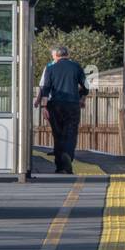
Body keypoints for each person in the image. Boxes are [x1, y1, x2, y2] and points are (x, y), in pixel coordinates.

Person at [36, 45, 89, 174]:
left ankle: (60, 166)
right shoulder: (76, 67)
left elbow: (45, 89)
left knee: (58, 134)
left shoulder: (50, 68)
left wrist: (44, 107)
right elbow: (86, 86)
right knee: (70, 133)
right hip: (72, 105)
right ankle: (68, 156)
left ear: (56, 56)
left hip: (55, 105)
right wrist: (82, 98)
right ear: (67, 54)